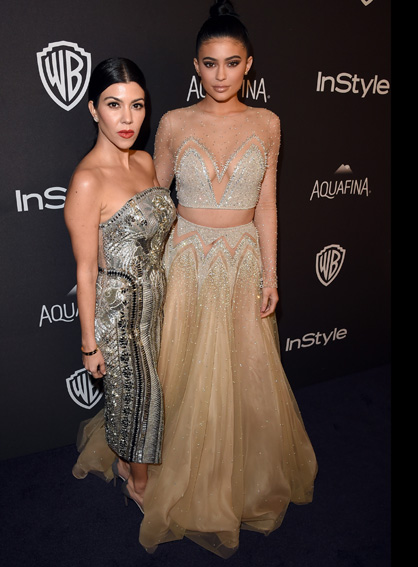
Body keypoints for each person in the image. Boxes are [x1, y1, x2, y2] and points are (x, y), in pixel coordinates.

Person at [139, 0, 317, 558]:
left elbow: (266, 203)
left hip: (241, 262)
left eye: (232, 63)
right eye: (210, 63)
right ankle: (168, 468)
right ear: (196, 65)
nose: (221, 75)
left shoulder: (268, 124)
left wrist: (271, 273)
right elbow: (153, 200)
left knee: (242, 371)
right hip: (186, 258)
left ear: (249, 65)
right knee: (182, 367)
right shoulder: (173, 123)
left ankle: (237, 476)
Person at [64, 57, 176, 511]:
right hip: (119, 311)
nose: (127, 119)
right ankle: (140, 483)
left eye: (137, 106)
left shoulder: (147, 162)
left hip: (155, 299)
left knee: (148, 390)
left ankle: (131, 464)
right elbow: (85, 271)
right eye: (114, 105)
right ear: (93, 109)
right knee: (138, 393)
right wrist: (90, 344)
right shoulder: (87, 181)